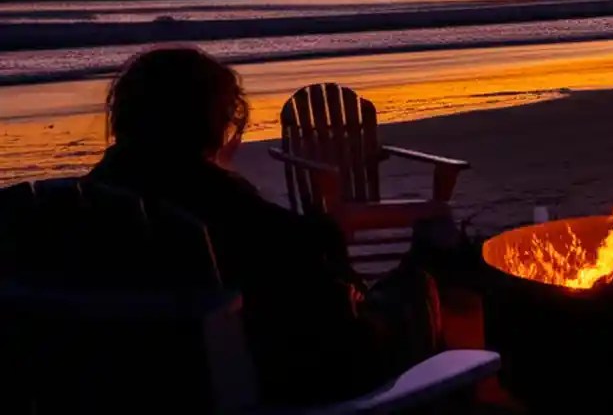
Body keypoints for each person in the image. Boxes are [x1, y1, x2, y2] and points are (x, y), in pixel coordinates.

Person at [85, 47, 445, 405]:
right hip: (283, 381)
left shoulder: (79, 205)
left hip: (133, 388)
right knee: (418, 287)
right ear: (213, 125)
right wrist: (327, 242)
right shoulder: (227, 209)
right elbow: (325, 316)